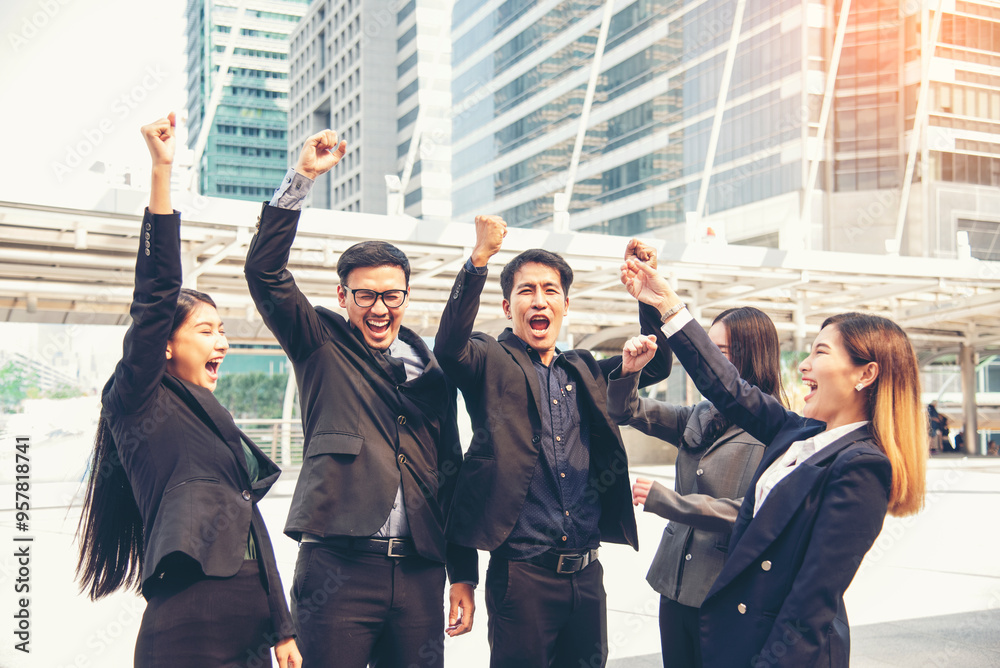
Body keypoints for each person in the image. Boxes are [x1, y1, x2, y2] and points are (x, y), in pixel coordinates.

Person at [619, 255, 926, 668]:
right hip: (730, 630)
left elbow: (810, 603)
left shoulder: (862, 466)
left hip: (774, 650)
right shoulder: (799, 433)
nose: (804, 365)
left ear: (864, 374)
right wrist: (667, 304)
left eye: (820, 352)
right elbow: (725, 386)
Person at [243, 130, 475, 668]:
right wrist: (302, 179)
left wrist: (462, 570)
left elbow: (451, 471)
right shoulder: (318, 341)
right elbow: (264, 273)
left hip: (420, 572)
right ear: (342, 296)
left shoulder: (434, 370)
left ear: (406, 297)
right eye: (364, 295)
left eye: (390, 295)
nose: (378, 308)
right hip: (337, 570)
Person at [75, 114, 300, 667]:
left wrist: (283, 629)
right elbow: (155, 296)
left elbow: (251, 525)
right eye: (206, 330)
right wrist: (161, 171)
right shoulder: (137, 398)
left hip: (253, 628)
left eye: (223, 331)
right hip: (189, 622)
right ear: (165, 345)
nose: (221, 341)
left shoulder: (215, 423)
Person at [433, 216, 672, 668]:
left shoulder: (582, 370)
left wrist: (648, 298)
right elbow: (448, 349)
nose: (539, 300)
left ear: (565, 304)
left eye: (549, 290)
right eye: (526, 291)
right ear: (507, 306)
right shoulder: (489, 358)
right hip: (521, 577)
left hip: (586, 575)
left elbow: (655, 368)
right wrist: (478, 260)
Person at [607, 307, 785, 668]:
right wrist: (630, 369)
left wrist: (669, 502)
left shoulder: (777, 430)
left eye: (721, 350)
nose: (709, 359)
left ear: (753, 356)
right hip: (674, 586)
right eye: (708, 347)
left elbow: (752, 513)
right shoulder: (699, 414)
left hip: (725, 593)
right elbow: (626, 410)